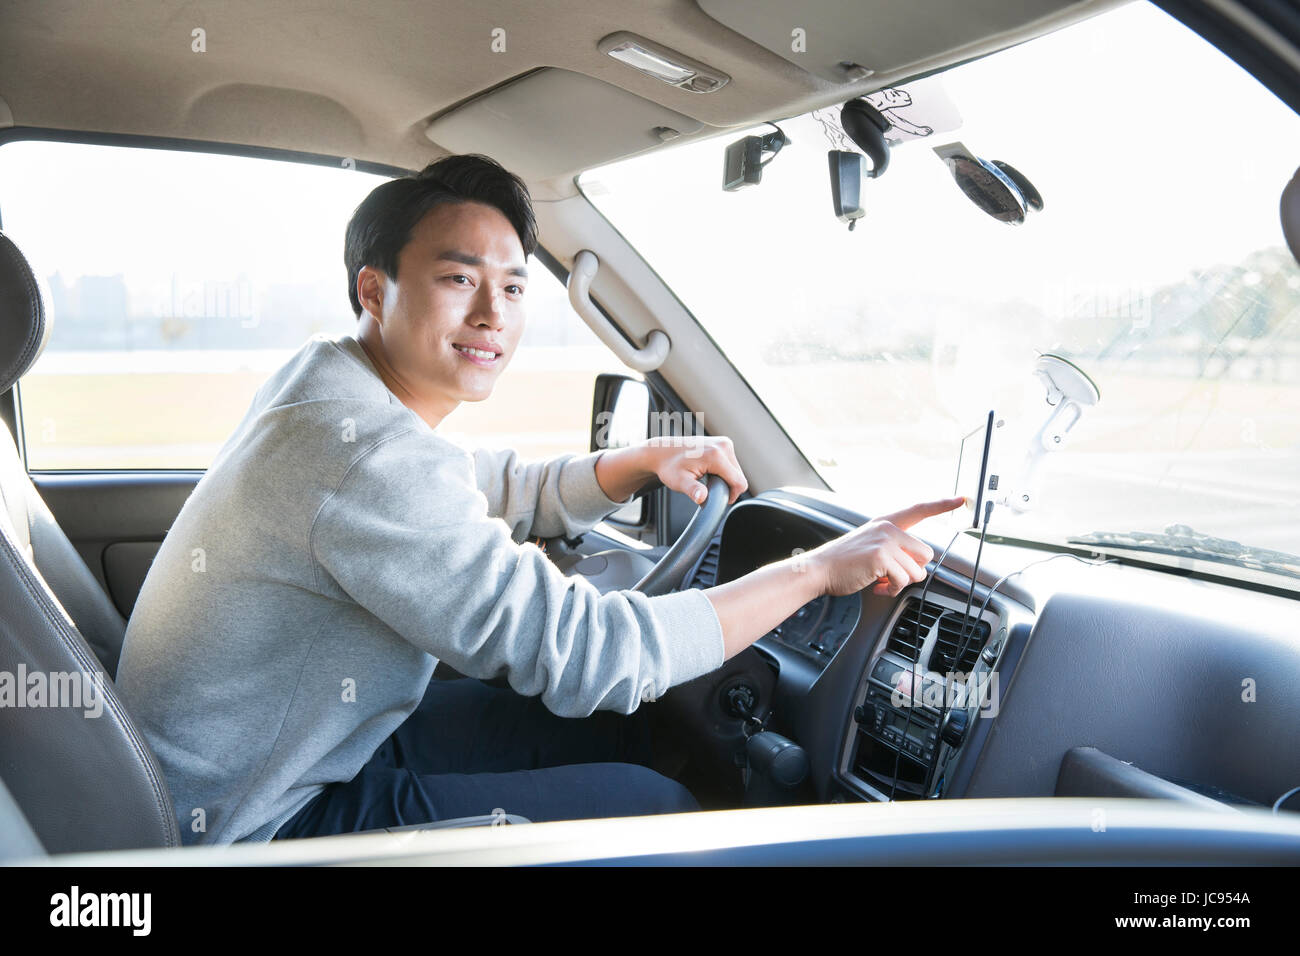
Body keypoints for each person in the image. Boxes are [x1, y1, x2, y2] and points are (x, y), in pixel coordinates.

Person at [115, 153, 963, 845]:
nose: (494, 314)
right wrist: (814, 572)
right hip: (257, 823)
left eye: (516, 288)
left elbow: (475, 489)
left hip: (296, 752)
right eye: (459, 279)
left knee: (621, 734)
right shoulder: (365, 454)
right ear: (374, 291)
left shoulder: (329, 394)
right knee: (654, 810)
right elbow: (598, 654)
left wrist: (629, 462)